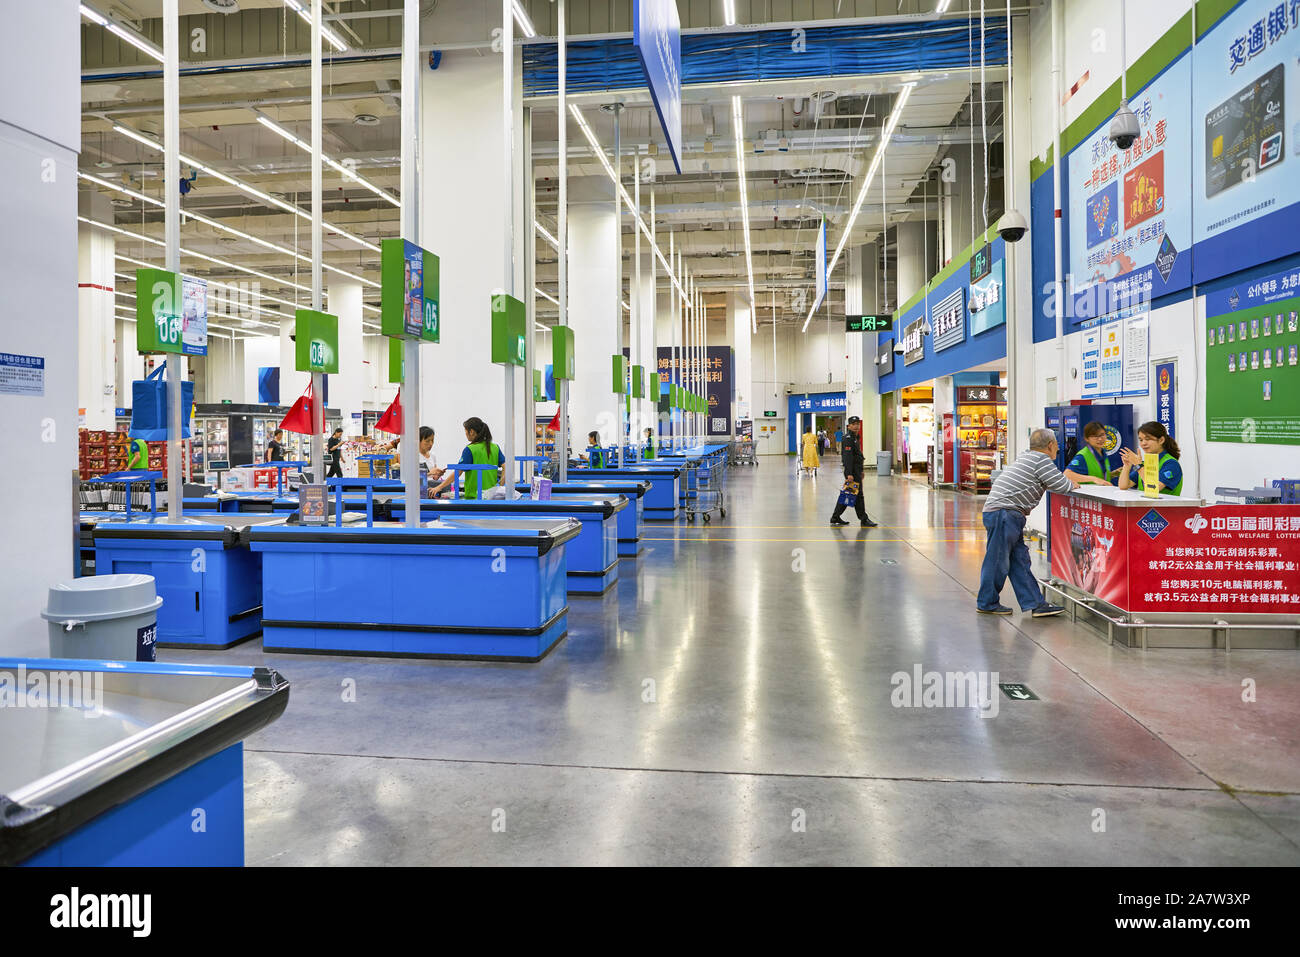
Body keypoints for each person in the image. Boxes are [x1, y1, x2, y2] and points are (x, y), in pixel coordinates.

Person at [977, 428, 1097, 617]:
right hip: (1004, 513)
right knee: (997, 560)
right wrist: (1072, 483)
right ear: (1050, 445)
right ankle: (986, 602)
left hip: (1005, 513)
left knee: (1019, 561)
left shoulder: (1027, 456)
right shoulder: (1041, 460)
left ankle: (1035, 603)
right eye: (1057, 444)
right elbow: (1062, 485)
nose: (1058, 448)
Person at [431, 417, 505, 499]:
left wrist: (439, 487)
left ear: (472, 432)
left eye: (465, 431)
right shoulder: (495, 447)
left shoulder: (470, 449)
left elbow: (458, 472)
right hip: (492, 497)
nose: (465, 434)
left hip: (474, 498)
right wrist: (500, 487)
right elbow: (506, 466)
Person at [829, 416, 877, 527]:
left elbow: (857, 456)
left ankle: (836, 517)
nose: (856, 426)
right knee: (856, 495)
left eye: (858, 424)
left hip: (856, 470)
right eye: (853, 424)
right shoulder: (848, 438)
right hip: (852, 471)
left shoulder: (855, 437)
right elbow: (847, 457)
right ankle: (863, 519)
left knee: (850, 494)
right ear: (849, 426)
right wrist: (849, 473)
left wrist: (861, 470)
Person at [1116, 420, 1183, 495]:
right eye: (1141, 440)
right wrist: (1127, 466)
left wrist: (1139, 465)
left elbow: (1154, 488)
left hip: (1164, 506)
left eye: (1148, 439)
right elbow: (1123, 486)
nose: (1143, 443)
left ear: (1161, 440)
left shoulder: (1171, 463)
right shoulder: (1144, 463)